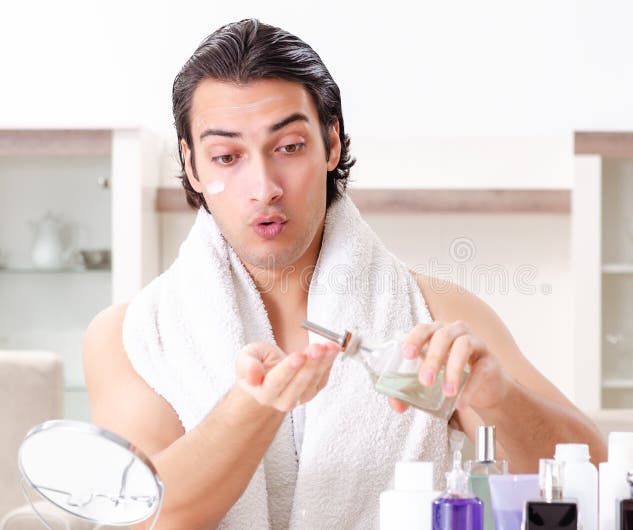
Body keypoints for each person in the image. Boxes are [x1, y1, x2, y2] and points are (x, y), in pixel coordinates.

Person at [83, 18, 605, 529]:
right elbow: (142, 518)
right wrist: (252, 410)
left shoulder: (436, 314)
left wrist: (498, 399)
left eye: (289, 147)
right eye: (226, 156)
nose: (263, 187)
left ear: (331, 143)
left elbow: (597, 481)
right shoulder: (134, 338)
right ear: (192, 164)